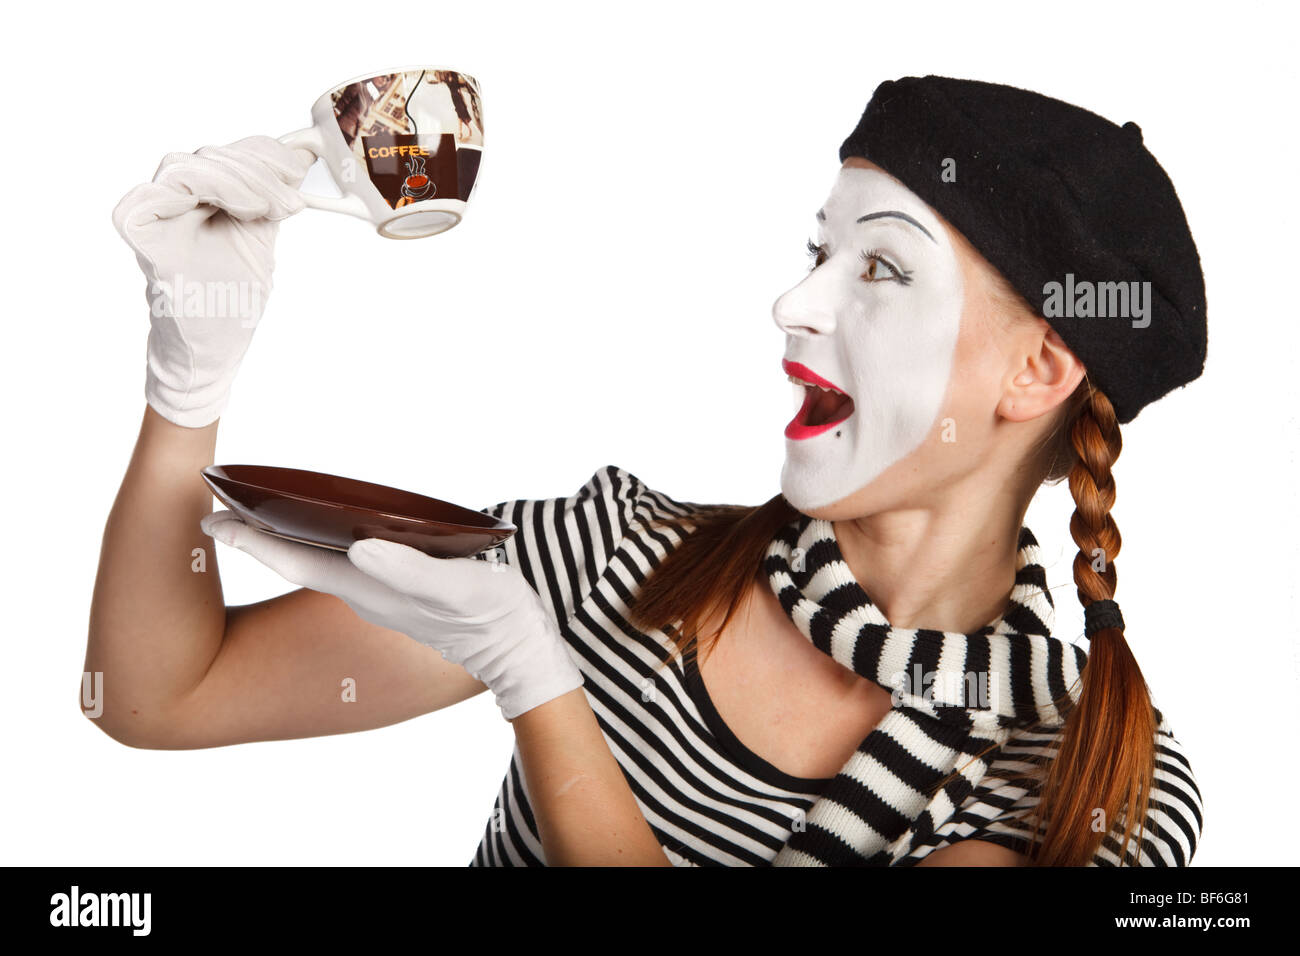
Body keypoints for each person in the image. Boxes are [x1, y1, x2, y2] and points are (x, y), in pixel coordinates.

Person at [88, 75, 1205, 867]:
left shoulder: (1092, 775)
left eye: (881, 266)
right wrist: (192, 381)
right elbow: (157, 694)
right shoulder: (621, 553)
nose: (795, 303)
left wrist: (538, 683)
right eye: (818, 252)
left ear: (1041, 364)